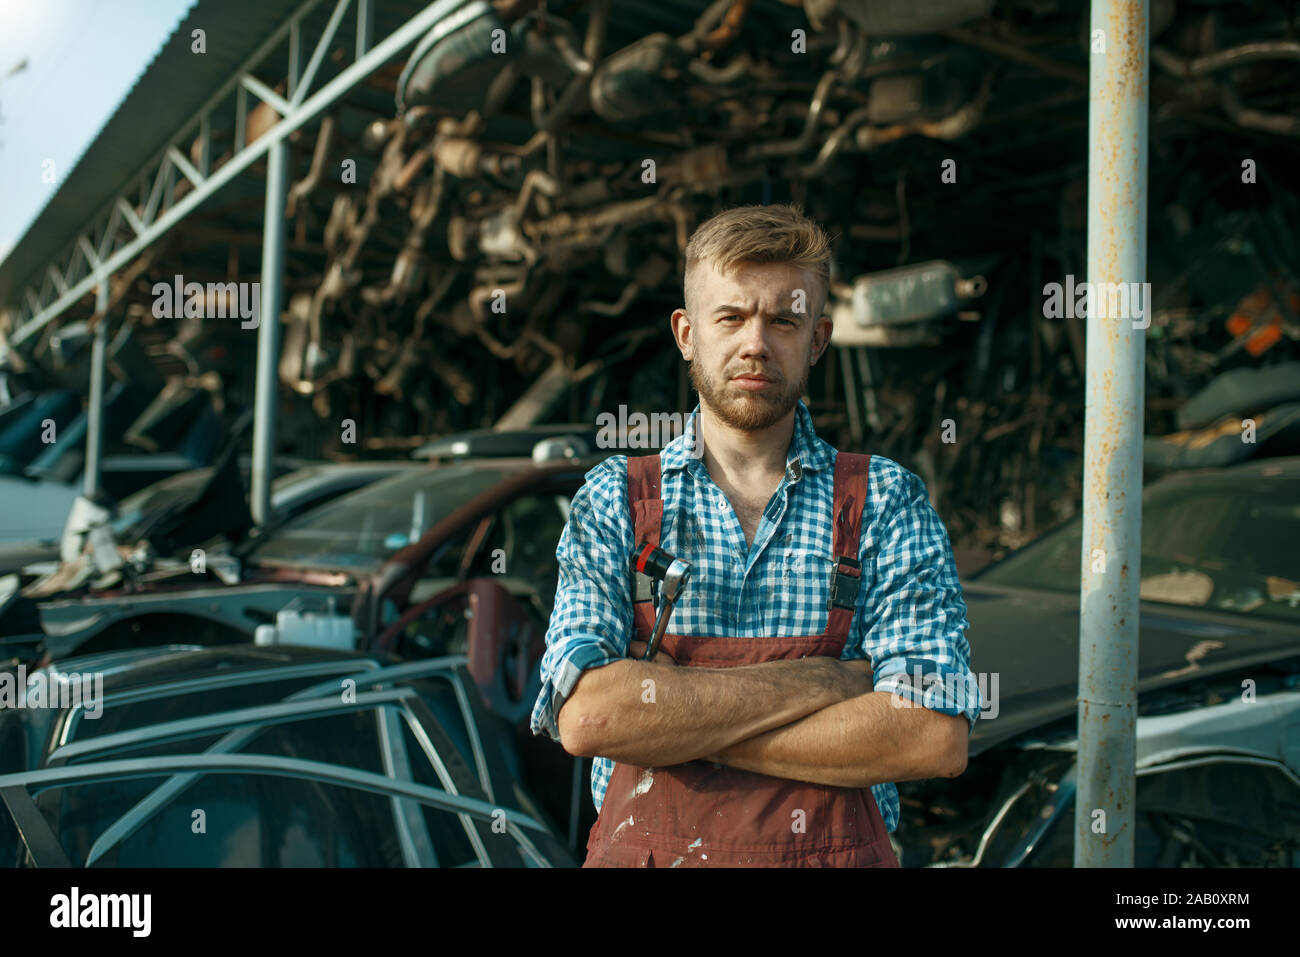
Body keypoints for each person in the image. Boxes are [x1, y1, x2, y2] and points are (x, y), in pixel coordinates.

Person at [530, 202, 980, 867]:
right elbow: (589, 717)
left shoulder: (886, 502)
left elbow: (930, 735)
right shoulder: (614, 502)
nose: (755, 343)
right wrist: (828, 681)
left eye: (784, 320)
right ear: (687, 332)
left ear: (818, 339)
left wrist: (667, 723)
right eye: (731, 316)